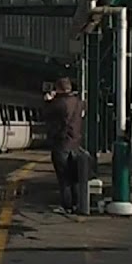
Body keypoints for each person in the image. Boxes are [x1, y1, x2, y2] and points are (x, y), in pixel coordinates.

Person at [43, 77, 84, 214]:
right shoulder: (79, 103)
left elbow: (47, 114)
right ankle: (76, 204)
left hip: (61, 143)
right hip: (75, 143)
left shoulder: (58, 103)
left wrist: (48, 101)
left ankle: (66, 205)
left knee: (63, 176)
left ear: (59, 89)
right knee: (74, 176)